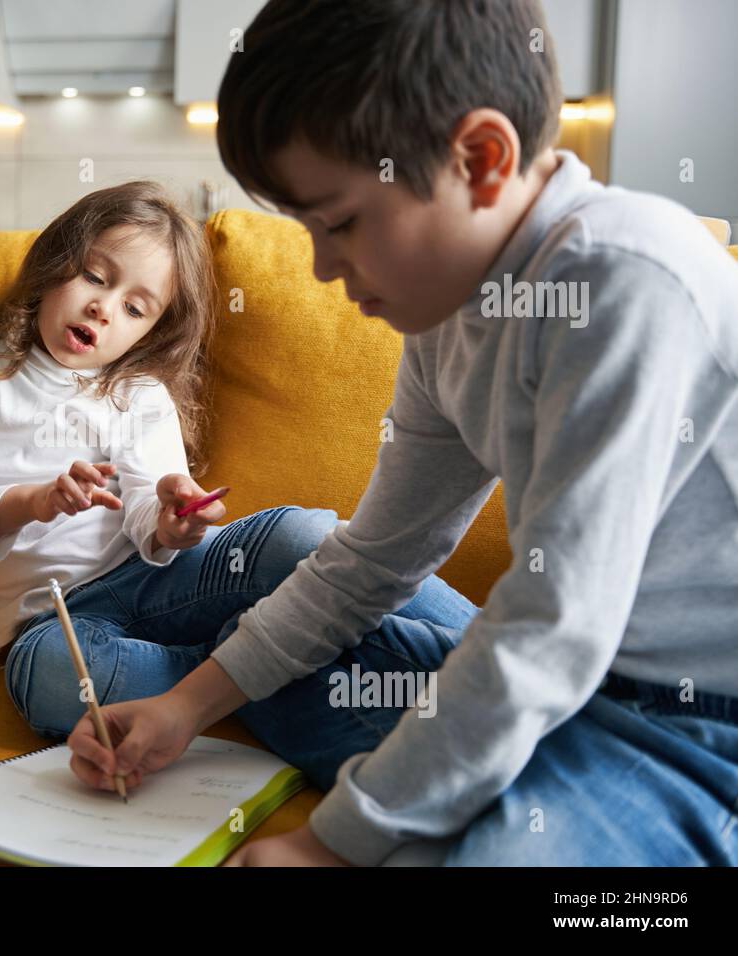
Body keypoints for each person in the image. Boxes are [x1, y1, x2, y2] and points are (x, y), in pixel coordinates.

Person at [67, 0, 738, 867]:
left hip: (693, 726)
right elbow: (370, 564)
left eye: (339, 222)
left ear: (481, 160)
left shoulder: (623, 283)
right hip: (575, 686)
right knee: (279, 681)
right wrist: (182, 709)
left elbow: (551, 628)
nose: (321, 266)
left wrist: (328, 846)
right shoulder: (444, 320)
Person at [0, 180, 475, 743]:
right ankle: (253, 656)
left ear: (151, 331)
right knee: (55, 682)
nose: (102, 309)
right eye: (94, 277)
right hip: (52, 624)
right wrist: (32, 501)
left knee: (302, 534)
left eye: (134, 308)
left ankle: (492, 645)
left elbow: (150, 502)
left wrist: (172, 521)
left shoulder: (137, 393)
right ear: (56, 262)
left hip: (158, 581)